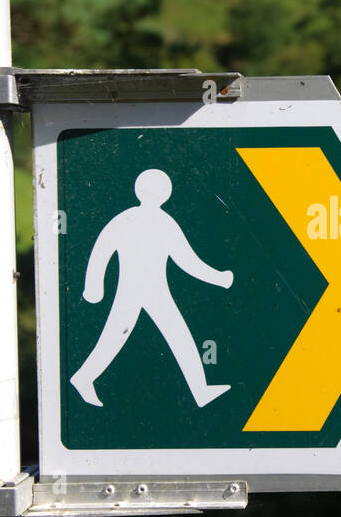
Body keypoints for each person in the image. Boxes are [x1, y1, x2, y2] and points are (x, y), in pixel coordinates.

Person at [70, 169, 233, 408]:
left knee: (173, 336)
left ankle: (200, 390)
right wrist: (220, 278)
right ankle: (83, 377)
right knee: (120, 337)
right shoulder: (151, 221)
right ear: (164, 194)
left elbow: (187, 260)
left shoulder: (145, 221)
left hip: (153, 290)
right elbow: (188, 262)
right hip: (135, 290)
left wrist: (94, 287)